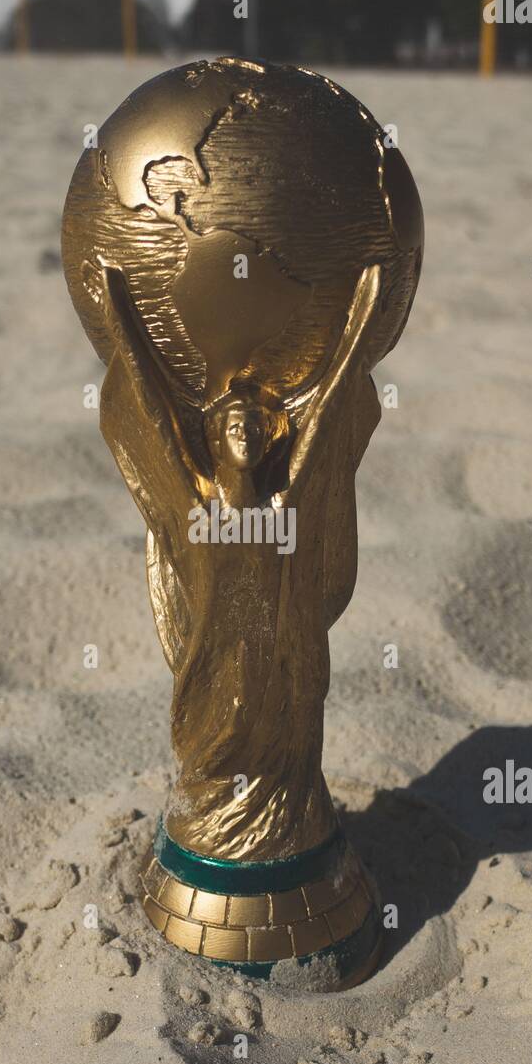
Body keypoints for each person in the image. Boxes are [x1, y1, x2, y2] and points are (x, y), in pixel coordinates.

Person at [98, 262, 383, 861]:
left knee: (283, 787)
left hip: (281, 672)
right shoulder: (192, 502)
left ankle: (287, 842)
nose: (246, 432)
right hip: (212, 672)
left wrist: (357, 325)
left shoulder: (287, 505)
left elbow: (327, 421)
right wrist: (122, 315)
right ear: (215, 435)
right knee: (210, 774)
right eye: (233, 423)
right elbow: (151, 416)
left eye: (257, 423)